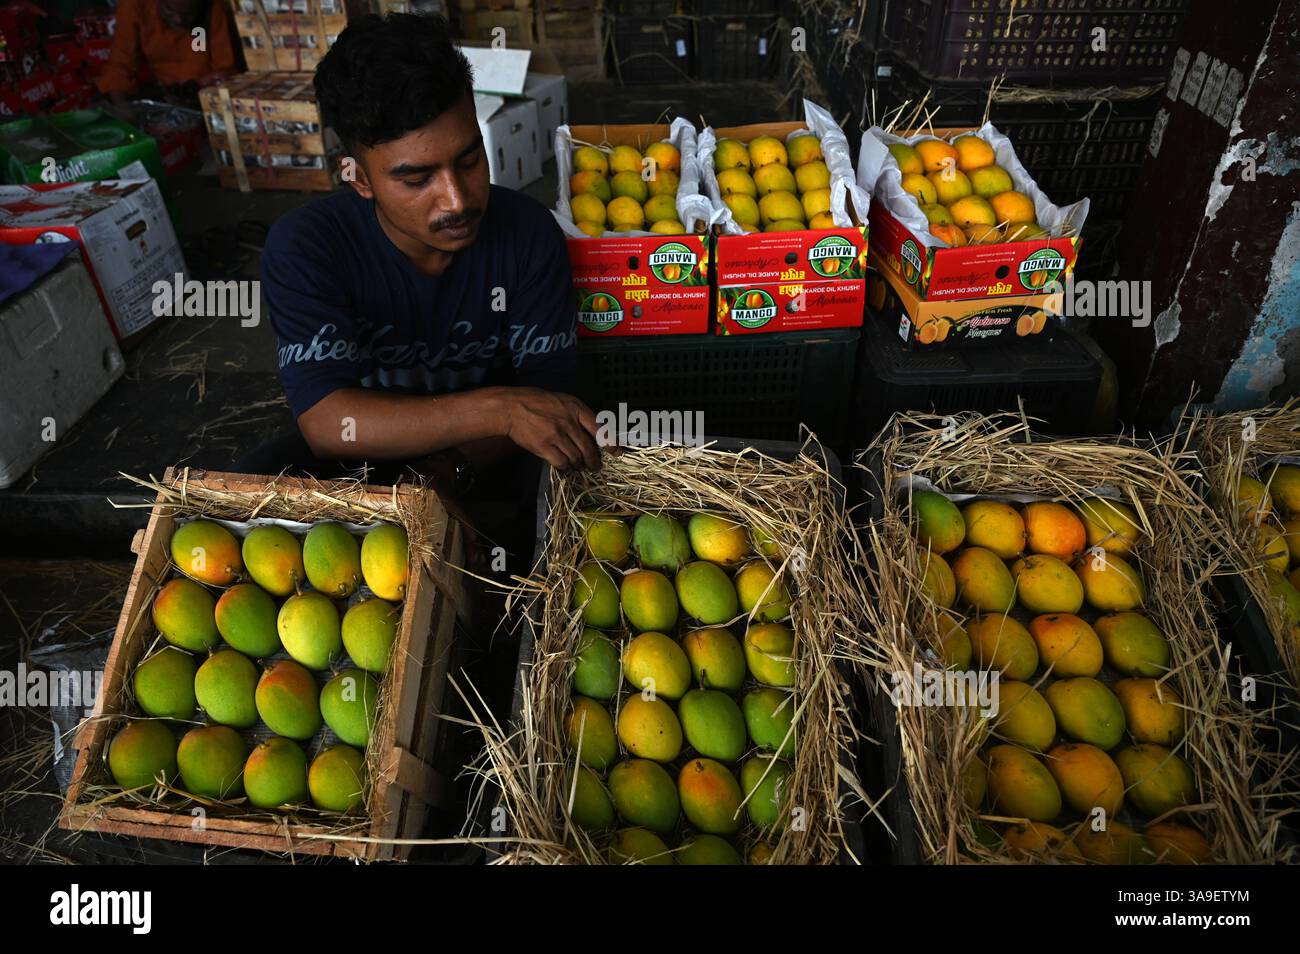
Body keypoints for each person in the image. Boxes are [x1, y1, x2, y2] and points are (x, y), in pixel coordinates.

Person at [245, 13, 600, 561]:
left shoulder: (528, 235)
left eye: (470, 159)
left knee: (566, 485)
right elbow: (326, 420)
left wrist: (446, 472)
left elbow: (546, 404)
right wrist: (500, 408)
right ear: (359, 178)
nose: (457, 200)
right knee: (250, 485)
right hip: (367, 454)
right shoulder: (307, 247)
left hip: (487, 460)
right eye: (416, 179)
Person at [96, 0, 237, 115]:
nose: (178, 19)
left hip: (200, 92)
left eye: (187, 14)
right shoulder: (135, 5)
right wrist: (122, 106)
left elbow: (224, 69)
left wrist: (195, 92)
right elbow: (120, 62)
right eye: (170, 11)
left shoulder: (211, 9)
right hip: (162, 92)